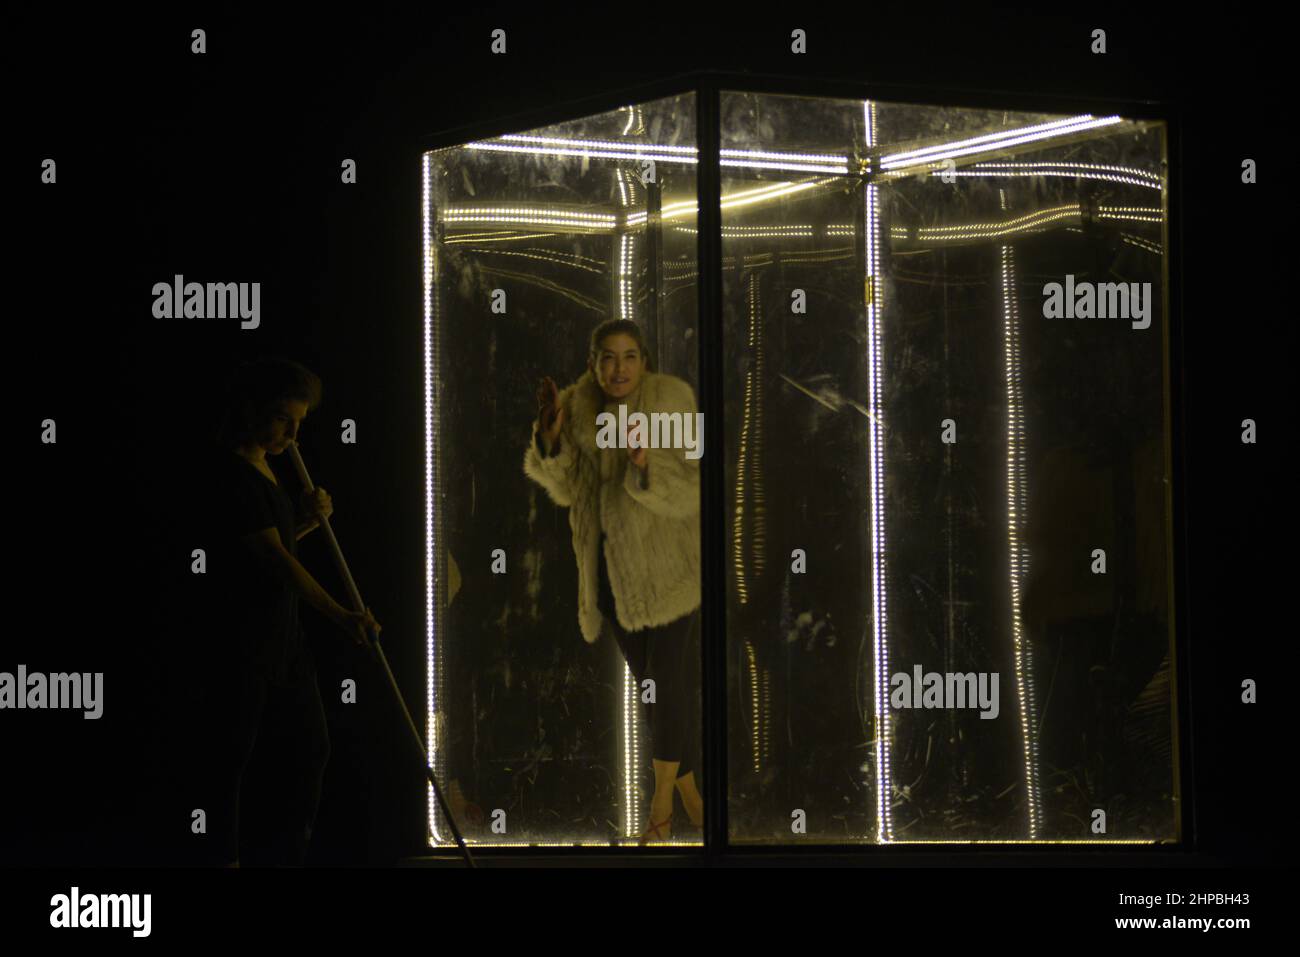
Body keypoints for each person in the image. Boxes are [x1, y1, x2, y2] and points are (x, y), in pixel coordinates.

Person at [188, 356, 381, 867]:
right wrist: (343, 615)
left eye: (299, 424)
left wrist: (309, 522)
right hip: (241, 642)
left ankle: (286, 858)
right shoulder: (228, 471)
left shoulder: (265, 461)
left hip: (283, 640)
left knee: (309, 750)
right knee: (229, 764)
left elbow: (277, 543)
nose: (292, 435)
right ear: (250, 407)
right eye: (281, 419)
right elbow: (272, 561)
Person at [523, 320, 702, 843]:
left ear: (644, 360)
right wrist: (550, 441)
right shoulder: (578, 406)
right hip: (610, 577)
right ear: (592, 361)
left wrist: (644, 469)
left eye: (628, 357)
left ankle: (660, 811)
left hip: (670, 571)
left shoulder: (671, 400)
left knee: (665, 681)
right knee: (653, 689)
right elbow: (566, 490)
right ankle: (694, 798)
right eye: (607, 357)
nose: (617, 368)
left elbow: (691, 489)